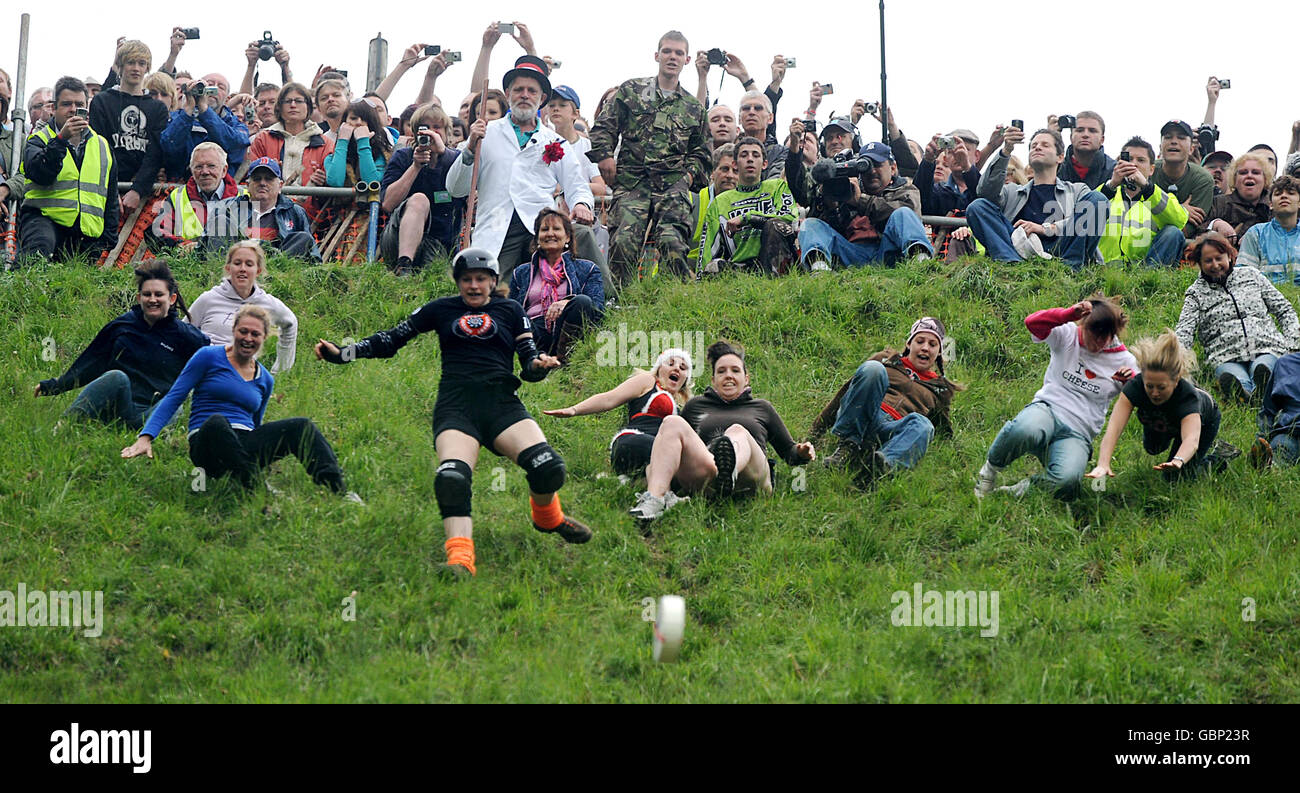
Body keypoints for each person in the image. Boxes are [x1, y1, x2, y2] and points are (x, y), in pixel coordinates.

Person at [314, 248, 594, 578]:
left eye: (480, 279)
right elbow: (391, 339)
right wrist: (342, 353)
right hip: (456, 408)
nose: (473, 286)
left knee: (549, 468)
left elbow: (528, 363)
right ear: (457, 282)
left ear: (492, 281)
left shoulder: (510, 309)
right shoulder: (441, 309)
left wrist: (541, 366)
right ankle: (460, 558)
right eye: (466, 280)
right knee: (451, 478)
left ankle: (548, 518)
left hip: (502, 406)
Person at [122, 305, 359, 502]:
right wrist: (146, 437)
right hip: (207, 442)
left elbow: (256, 424)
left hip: (242, 442)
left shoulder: (265, 378)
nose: (248, 338)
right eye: (243, 331)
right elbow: (175, 396)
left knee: (302, 426)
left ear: (264, 338)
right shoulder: (208, 356)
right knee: (217, 422)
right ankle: (260, 494)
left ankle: (339, 491)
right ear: (233, 331)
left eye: (255, 334)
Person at [629, 340, 814, 522]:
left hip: (751, 475)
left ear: (746, 378)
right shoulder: (696, 406)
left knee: (736, 431)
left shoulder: (762, 408)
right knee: (671, 422)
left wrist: (802, 451)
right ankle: (654, 499)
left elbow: (789, 453)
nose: (728, 375)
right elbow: (675, 448)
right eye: (721, 371)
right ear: (713, 380)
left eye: (735, 370)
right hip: (709, 472)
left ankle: (730, 469)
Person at [448, 56, 595, 284]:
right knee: (495, 293)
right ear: (508, 94)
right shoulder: (485, 133)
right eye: (518, 90)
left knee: (580, 240)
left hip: (541, 227)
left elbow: (576, 184)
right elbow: (456, 189)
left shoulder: (555, 141)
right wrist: (469, 148)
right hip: (499, 227)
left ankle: (606, 301)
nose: (525, 95)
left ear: (542, 98)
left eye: (531, 91)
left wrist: (582, 204)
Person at [974, 296, 1138, 500]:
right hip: (1048, 409)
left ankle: (1018, 491)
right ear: (1083, 325)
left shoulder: (1125, 360)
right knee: (1024, 429)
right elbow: (1032, 323)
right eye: (1092, 335)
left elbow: (1143, 397)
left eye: (1104, 337)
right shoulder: (1067, 334)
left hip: (1078, 432)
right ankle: (989, 472)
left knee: (1067, 482)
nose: (1097, 343)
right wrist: (1067, 314)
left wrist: (1130, 382)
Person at [588, 31, 710, 283]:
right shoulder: (631, 90)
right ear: (657, 55)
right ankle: (621, 305)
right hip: (633, 181)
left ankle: (672, 303)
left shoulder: (693, 107)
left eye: (678, 53)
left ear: (687, 60)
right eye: (667, 51)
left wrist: (687, 176)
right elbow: (603, 127)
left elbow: (702, 152)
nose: (672, 57)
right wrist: (605, 156)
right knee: (623, 242)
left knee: (673, 243)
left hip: (672, 184)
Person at [34, 261, 208, 430]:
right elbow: (90, 363)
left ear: (172, 298)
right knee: (116, 376)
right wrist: (54, 386)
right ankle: (64, 426)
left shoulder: (188, 337)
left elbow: (211, 367)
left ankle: (148, 437)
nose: (152, 300)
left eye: (159, 294)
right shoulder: (122, 326)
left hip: (152, 413)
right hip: (115, 409)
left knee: (175, 403)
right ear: (139, 297)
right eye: (147, 294)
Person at [810, 317, 961, 484]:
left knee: (924, 425)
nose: (925, 348)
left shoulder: (940, 389)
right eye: (920, 341)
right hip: (865, 417)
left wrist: (957, 462)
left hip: (891, 432)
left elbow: (942, 431)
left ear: (939, 352)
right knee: (873, 369)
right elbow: (847, 393)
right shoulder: (886, 360)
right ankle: (848, 447)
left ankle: (881, 467)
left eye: (933, 344)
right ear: (909, 343)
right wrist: (815, 432)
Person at [1087, 330, 1229, 484]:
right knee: (1153, 448)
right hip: (1163, 418)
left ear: (1175, 381)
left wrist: (1178, 461)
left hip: (1204, 421)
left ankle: (1218, 459)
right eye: (1150, 386)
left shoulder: (1188, 398)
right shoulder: (1135, 387)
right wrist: (1103, 463)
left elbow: (1191, 439)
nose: (1154, 393)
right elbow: (1114, 428)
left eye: (1161, 387)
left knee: (1175, 478)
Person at [1175, 232, 1300, 403]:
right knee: (1232, 376)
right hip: (1224, 356)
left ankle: (1263, 385)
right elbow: (1184, 330)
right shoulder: (1196, 293)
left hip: (1266, 347)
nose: (1215, 265)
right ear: (1199, 264)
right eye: (1208, 261)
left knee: (1263, 367)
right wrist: (1176, 363)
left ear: (1229, 256)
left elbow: (1284, 310)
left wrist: (1293, 343)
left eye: (1219, 258)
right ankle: (1245, 393)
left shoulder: (1252, 276)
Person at [967, 126, 1108, 267]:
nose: (1037, 148)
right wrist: (1006, 151)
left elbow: (1087, 218)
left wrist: (1045, 228)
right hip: (1018, 248)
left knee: (1098, 200)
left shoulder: (1077, 190)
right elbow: (984, 193)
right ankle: (1010, 264)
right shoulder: (1011, 191)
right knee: (977, 206)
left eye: (1045, 145)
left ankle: (1070, 268)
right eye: (1033, 146)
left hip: (1062, 250)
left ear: (1060, 157)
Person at [543, 347, 693, 479]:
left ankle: (637, 484)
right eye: (671, 363)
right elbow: (609, 398)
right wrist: (574, 410)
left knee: (680, 459)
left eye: (683, 367)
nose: (677, 368)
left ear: (686, 379)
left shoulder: (683, 410)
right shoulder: (648, 382)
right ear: (659, 368)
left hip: (661, 451)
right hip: (634, 441)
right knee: (668, 455)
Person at [788, 137, 933, 268]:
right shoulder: (848, 189)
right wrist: (833, 207)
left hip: (889, 251)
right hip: (852, 253)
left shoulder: (904, 188)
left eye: (877, 165)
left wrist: (860, 201)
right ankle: (819, 269)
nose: (872, 171)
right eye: (867, 167)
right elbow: (826, 230)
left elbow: (909, 214)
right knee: (811, 223)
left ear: (893, 168)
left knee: (902, 213)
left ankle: (921, 263)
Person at [18, 77, 119, 263]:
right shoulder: (38, 139)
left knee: (76, 288)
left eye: (79, 104)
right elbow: (40, 174)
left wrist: (108, 239)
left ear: (86, 108)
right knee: (36, 260)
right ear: (54, 108)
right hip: (44, 221)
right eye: (66, 104)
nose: (73, 109)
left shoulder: (102, 145)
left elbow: (110, 197)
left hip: (86, 233)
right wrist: (60, 140)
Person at [507, 208, 605, 361]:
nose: (550, 233)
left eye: (556, 229)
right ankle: (534, 358)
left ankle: (563, 359)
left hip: (567, 327)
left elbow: (597, 308)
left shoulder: (588, 269)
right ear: (537, 238)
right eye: (544, 229)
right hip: (534, 331)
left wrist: (568, 302)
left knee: (582, 301)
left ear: (567, 237)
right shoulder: (521, 272)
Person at [188, 241, 299, 374]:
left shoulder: (266, 304)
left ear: (258, 271)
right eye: (237, 263)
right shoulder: (208, 299)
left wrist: (281, 370)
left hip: (242, 375)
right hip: (205, 370)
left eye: (249, 264)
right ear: (228, 268)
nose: (242, 269)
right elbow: (182, 333)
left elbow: (291, 323)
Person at [89, 40, 169, 215]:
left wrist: (138, 189)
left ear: (147, 68)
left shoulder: (158, 108)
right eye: (130, 62)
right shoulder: (101, 101)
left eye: (141, 64)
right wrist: (111, 188)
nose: (136, 68)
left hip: (143, 189)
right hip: (106, 184)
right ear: (120, 65)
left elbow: (155, 153)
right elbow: (99, 148)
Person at [380, 103, 462, 274]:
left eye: (437, 127)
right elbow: (388, 204)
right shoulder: (403, 157)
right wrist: (415, 166)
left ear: (447, 133)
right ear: (416, 133)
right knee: (419, 199)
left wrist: (443, 155)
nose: (431, 132)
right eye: (425, 128)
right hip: (397, 239)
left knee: (437, 280)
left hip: (440, 242)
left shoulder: (456, 161)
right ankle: (404, 267)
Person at [698, 136, 796, 275]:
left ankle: (775, 281)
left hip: (780, 263)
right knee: (714, 267)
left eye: (755, 155)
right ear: (735, 164)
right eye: (744, 155)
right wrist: (699, 280)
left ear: (764, 164)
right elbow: (707, 248)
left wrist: (747, 218)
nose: (750, 159)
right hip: (742, 268)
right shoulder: (719, 202)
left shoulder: (777, 186)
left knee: (775, 224)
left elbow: (790, 217)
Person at [203, 156, 321, 260]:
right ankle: (220, 276)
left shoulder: (295, 212)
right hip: (236, 266)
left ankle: (271, 273)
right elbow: (204, 246)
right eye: (257, 179)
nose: (262, 183)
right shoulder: (227, 208)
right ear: (248, 185)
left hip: (278, 270)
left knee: (303, 238)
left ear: (280, 186)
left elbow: (313, 254)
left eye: (269, 179)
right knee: (221, 220)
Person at [1096, 136, 1189, 266]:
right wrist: (1112, 185)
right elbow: (1083, 218)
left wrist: (1147, 188)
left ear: (1151, 169)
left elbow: (1179, 222)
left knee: (1173, 232)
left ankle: (1148, 283)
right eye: (1128, 159)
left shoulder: (1160, 197)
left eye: (1141, 160)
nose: (1133, 164)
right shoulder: (1104, 192)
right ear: (1119, 163)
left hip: (1144, 270)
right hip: (1104, 270)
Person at [151, 141, 242, 249]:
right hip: (188, 264)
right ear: (191, 171)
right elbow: (158, 232)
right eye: (198, 167)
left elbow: (257, 237)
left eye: (211, 166)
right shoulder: (177, 196)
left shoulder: (243, 197)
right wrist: (182, 246)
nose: (205, 172)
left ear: (224, 170)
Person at [160, 72, 250, 178]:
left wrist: (204, 110)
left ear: (227, 99)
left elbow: (235, 145)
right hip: (179, 187)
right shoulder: (178, 118)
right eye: (209, 84)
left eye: (220, 87)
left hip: (222, 190)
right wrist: (189, 110)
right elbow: (168, 146)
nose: (214, 89)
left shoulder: (236, 125)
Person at [241, 83, 332, 188]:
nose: (293, 105)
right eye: (287, 101)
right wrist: (267, 171)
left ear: (308, 106)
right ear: (279, 107)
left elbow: (334, 183)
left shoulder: (325, 143)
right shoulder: (263, 139)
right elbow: (248, 180)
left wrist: (322, 180)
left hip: (310, 204)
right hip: (269, 203)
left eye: (298, 101)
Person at [1152, 119, 1215, 239]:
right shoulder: (1148, 171)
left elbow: (1186, 230)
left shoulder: (1203, 180)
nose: (1174, 142)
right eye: (1168, 137)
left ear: (1191, 149)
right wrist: (1180, 209)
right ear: (1160, 147)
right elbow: (1136, 219)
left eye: (1181, 138)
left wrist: (1158, 211)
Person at [1235, 174, 1300, 285]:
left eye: (1291, 193)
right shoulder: (1256, 233)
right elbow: (1244, 276)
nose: (1284, 196)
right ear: (1270, 204)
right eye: (1278, 193)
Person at [324, 99, 392, 188]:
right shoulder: (332, 157)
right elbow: (336, 181)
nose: (359, 122)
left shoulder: (383, 154)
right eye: (353, 118)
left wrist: (363, 142)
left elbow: (371, 182)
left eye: (364, 119)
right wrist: (342, 140)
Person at [1206, 151, 1273, 239]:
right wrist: (1215, 224)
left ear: (1265, 179)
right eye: (1243, 172)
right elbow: (1198, 231)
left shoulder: (1273, 206)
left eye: (1256, 172)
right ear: (1234, 180)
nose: (1249, 175)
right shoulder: (1219, 203)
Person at [1250, 351, 1300, 468]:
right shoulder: (1285, 363)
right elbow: (1268, 409)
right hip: (1289, 431)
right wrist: (1262, 438)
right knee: (1280, 449)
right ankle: (1270, 465)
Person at [1053, 111, 1114, 188]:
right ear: (1071, 137)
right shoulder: (1056, 169)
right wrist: (1052, 137)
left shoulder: (1114, 171)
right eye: (1080, 130)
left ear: (1102, 140)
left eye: (1092, 131)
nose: (1085, 135)